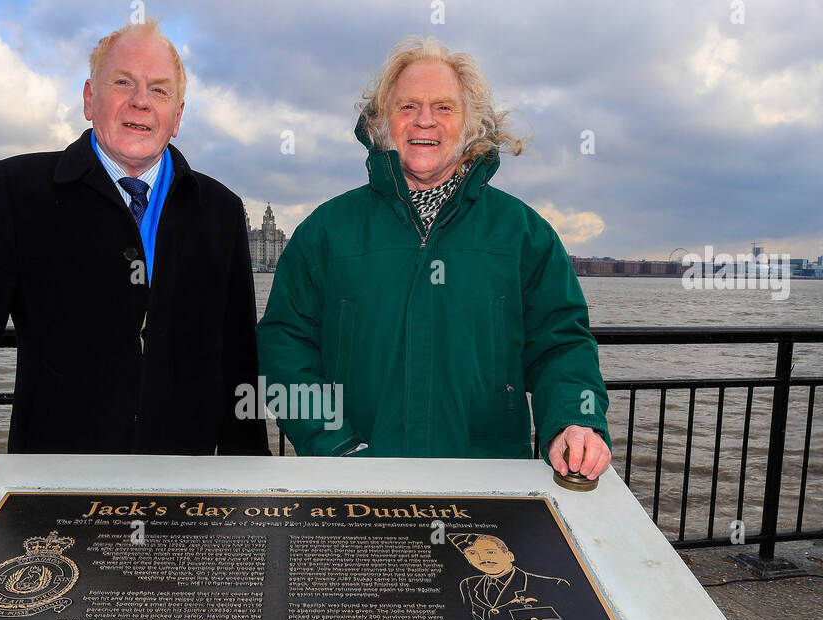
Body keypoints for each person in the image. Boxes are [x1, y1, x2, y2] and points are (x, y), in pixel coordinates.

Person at [0, 19, 268, 475]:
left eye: (160, 90)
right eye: (123, 82)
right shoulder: (19, 190)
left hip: (186, 479)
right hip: (55, 477)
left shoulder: (220, 208)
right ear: (89, 99)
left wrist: (250, 469)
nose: (141, 100)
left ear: (178, 117)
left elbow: (237, 350)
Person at [257, 36, 611, 479]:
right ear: (382, 123)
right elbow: (284, 349)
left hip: (488, 484)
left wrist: (573, 421)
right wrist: (335, 446)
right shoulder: (325, 231)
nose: (425, 121)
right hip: (353, 482)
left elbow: (561, 344)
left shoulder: (524, 234)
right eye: (407, 107)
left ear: (471, 125)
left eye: (444, 107)